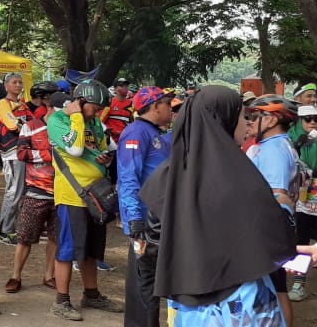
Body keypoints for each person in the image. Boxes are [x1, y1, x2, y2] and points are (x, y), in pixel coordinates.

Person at [139, 86, 294, 327]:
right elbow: (274, 236)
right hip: (241, 301)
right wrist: (284, 208)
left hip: (187, 303)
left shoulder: (165, 176)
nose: (247, 124)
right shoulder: (241, 176)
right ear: (223, 120)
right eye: (243, 116)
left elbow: (155, 245)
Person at [47, 79, 122, 321]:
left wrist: (104, 159)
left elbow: (99, 149)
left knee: (92, 250)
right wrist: (77, 115)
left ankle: (91, 294)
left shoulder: (94, 123)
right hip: (73, 195)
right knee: (68, 249)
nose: (98, 113)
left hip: (95, 195)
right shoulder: (58, 121)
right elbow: (75, 150)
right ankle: (61, 300)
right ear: (81, 102)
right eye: (95, 107)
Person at [116, 86, 174, 327]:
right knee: (143, 284)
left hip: (159, 221)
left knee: (155, 282)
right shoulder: (136, 132)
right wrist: (133, 218)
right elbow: (128, 177)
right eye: (168, 105)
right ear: (155, 106)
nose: (171, 110)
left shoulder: (156, 134)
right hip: (144, 222)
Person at [244, 95, 299, 324]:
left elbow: (278, 196)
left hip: (268, 229)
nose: (249, 121)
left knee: (276, 289)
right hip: (277, 228)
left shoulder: (273, 150)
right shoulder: (280, 144)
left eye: (255, 116)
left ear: (271, 120)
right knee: (277, 287)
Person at [6, 91, 62, 295]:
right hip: (35, 192)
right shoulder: (31, 126)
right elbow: (21, 154)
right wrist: (50, 155)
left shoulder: (67, 129)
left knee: (56, 238)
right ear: (50, 107)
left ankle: (49, 275)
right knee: (24, 237)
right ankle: (15, 276)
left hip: (62, 193)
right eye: (60, 110)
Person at [290, 105, 317, 301]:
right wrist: (297, 146)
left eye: (316, 119)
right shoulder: (290, 141)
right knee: (301, 243)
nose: (312, 122)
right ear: (298, 121)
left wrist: (315, 170)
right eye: (307, 119)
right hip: (302, 204)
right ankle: (298, 284)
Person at [0, 72, 33, 245]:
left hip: (23, 152)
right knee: (13, 191)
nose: (18, 85)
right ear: (6, 85)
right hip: (11, 152)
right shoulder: (3, 103)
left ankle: (10, 228)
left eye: (20, 82)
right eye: (14, 82)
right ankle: (3, 230)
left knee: (21, 191)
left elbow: (34, 123)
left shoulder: (23, 104)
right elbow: (13, 125)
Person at [101, 77, 133, 143]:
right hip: (111, 142)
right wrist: (113, 131)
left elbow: (134, 123)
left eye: (126, 85)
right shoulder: (109, 103)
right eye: (122, 85)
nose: (125, 87)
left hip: (126, 140)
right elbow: (100, 122)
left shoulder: (132, 104)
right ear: (115, 89)